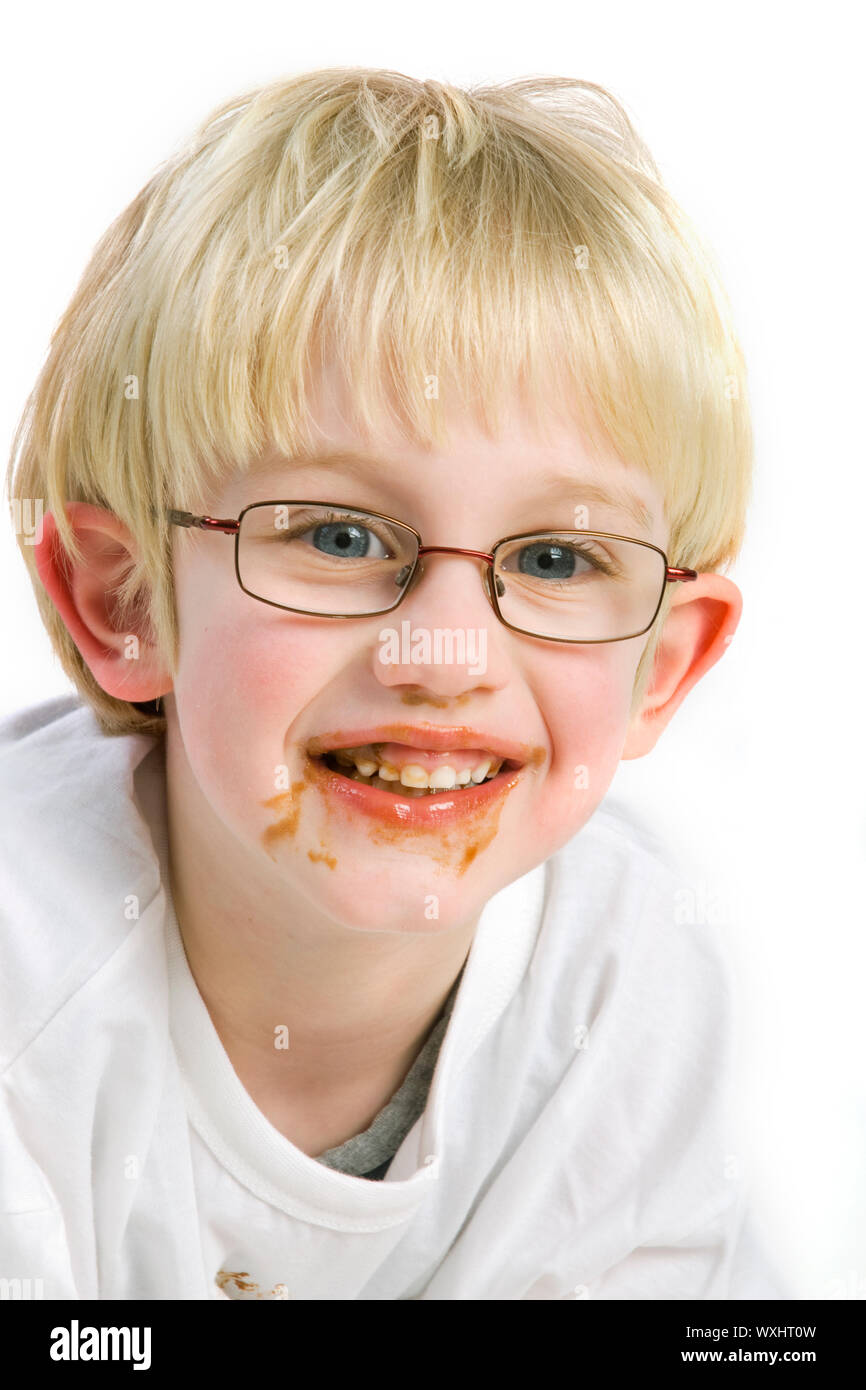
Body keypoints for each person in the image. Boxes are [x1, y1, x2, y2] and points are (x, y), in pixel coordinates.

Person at [0, 67, 790, 1299]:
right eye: (336, 535)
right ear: (126, 601)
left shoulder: (632, 990)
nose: (445, 659)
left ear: (660, 667)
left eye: (553, 557)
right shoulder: (24, 986)